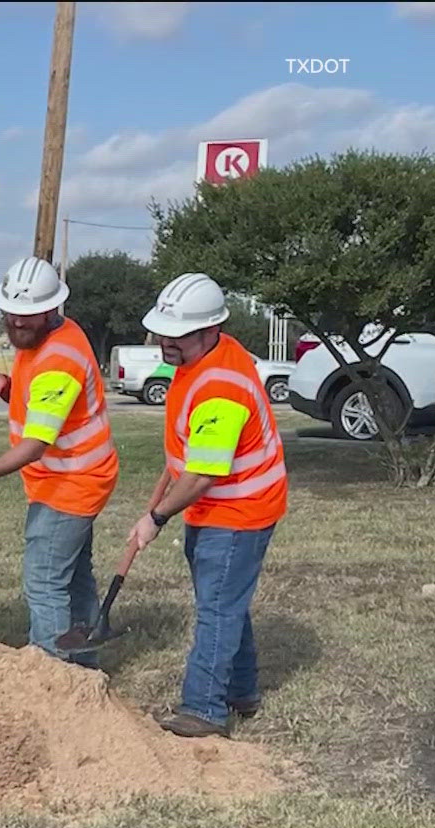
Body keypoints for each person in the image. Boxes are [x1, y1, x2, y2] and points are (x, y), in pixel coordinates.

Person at [125, 273, 287, 738]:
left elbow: (203, 474)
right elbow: (193, 456)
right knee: (226, 602)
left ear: (210, 330)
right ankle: (243, 691)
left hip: (238, 509)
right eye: (162, 333)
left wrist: (156, 517)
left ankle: (204, 710)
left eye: (177, 337)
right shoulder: (210, 353)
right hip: (221, 504)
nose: (164, 344)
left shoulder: (221, 384)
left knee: (216, 608)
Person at [0, 257, 120, 666]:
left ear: (50, 310)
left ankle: (49, 677)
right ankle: (84, 669)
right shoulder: (51, 336)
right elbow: (45, 405)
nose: (17, 323)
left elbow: (35, 444)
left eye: (27, 317)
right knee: (75, 579)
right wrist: (8, 387)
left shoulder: (59, 361)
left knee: (45, 582)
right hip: (72, 476)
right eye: (11, 315)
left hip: (71, 483)